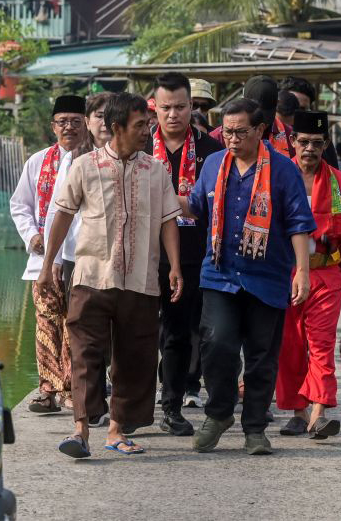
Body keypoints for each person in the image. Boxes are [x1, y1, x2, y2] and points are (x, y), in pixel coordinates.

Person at [38, 92, 184, 458]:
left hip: (140, 279)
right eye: (140, 126)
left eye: (148, 126)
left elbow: (168, 221)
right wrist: (46, 266)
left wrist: (175, 266)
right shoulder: (84, 167)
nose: (147, 132)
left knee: (135, 356)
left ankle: (117, 430)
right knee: (85, 352)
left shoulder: (156, 170)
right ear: (116, 127)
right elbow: (62, 216)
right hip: (91, 276)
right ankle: (81, 430)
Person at [179, 97, 316, 455]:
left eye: (241, 132)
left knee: (261, 356)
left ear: (260, 130)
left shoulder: (284, 170)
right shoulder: (213, 165)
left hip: (267, 276)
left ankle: (255, 427)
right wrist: (156, 193)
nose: (233, 139)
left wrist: (302, 271)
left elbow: (299, 224)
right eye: (227, 132)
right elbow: (194, 208)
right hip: (220, 274)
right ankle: (218, 414)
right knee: (217, 344)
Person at [276, 110, 341, 439]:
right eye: (303, 142)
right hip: (285, 276)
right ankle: (296, 411)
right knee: (289, 345)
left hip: (326, 275)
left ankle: (319, 411)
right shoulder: (280, 178)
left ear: (326, 144)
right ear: (293, 143)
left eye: (316, 143)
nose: (309, 149)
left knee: (321, 344)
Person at [146, 72, 223, 436]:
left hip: (197, 257)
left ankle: (174, 408)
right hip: (145, 258)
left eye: (180, 107)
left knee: (187, 334)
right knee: (141, 335)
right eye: (166, 108)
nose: (173, 115)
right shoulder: (142, 149)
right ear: (155, 109)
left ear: (192, 107)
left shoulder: (212, 153)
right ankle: (133, 407)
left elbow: (220, 207)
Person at [10, 94, 86, 413]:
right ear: (52, 126)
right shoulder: (38, 161)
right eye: (62, 121)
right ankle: (48, 389)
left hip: (82, 259)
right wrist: (33, 236)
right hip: (42, 259)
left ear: (86, 125)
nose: (68, 127)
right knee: (46, 323)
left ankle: (71, 388)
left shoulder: (94, 161)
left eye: (75, 121)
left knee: (77, 324)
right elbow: (20, 205)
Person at [46, 91, 114, 428]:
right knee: (85, 334)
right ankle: (89, 406)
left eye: (108, 115)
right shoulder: (76, 160)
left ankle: (109, 397)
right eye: (97, 116)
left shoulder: (136, 157)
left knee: (112, 336)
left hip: (118, 261)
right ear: (89, 121)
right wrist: (54, 259)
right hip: (79, 259)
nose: (103, 122)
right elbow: (60, 215)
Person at [210, 75, 295, 158]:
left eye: (265, 117)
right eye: (255, 118)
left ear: (277, 103)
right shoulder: (217, 138)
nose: (261, 124)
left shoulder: (291, 137)